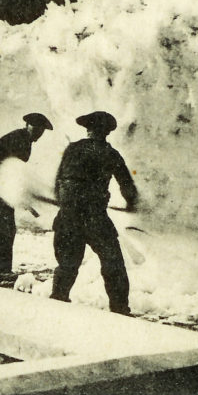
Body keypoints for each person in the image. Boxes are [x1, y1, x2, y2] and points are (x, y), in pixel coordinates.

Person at [50, 111, 139, 315]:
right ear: (106, 132)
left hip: (67, 217)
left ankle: (56, 305)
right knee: (113, 263)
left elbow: (58, 184)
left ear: (88, 129)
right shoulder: (110, 153)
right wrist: (132, 203)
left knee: (67, 266)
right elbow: (127, 185)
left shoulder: (72, 149)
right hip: (94, 218)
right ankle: (120, 310)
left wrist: (67, 204)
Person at [0, 113, 53, 275]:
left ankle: (2, 267)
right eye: (36, 129)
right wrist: (18, 195)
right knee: (4, 226)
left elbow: (15, 174)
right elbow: (8, 170)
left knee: (6, 226)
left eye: (41, 131)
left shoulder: (25, 140)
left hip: (1, 183)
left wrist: (21, 196)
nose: (39, 133)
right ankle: (1, 269)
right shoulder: (18, 139)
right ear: (28, 126)